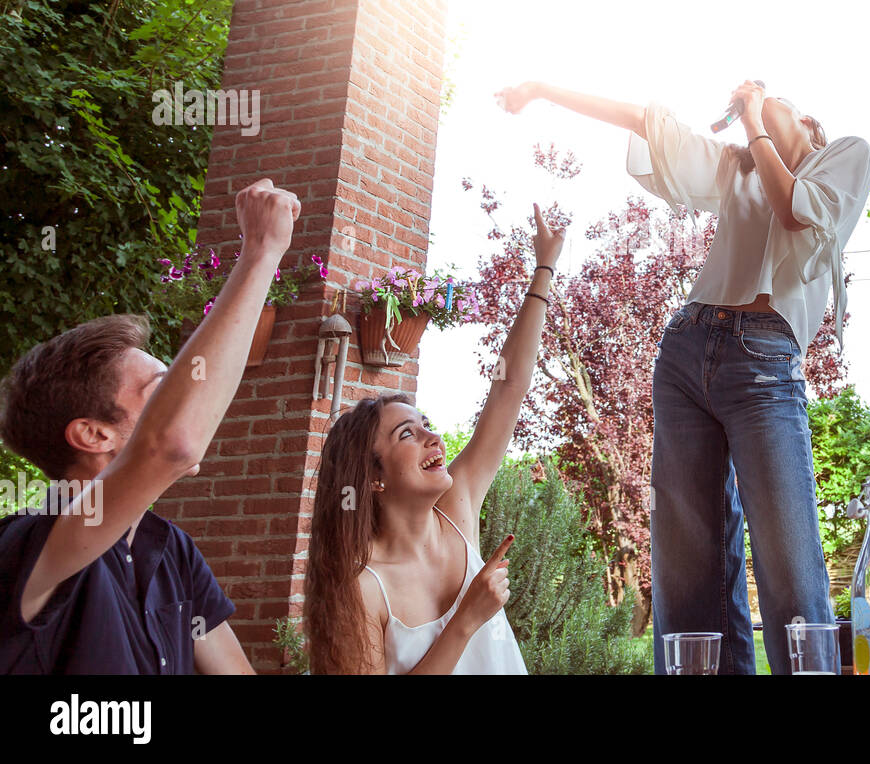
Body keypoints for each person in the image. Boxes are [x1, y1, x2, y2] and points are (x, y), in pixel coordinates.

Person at [495, 80, 870, 675]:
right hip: (686, 348)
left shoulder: (846, 156)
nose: (758, 97)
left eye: (772, 99)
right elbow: (649, 121)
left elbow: (797, 211)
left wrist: (752, 118)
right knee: (689, 557)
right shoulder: (738, 166)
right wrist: (544, 91)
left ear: (807, 121)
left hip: (766, 357)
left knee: (788, 558)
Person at [0, 178, 301, 673]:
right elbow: (172, 444)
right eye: (161, 390)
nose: (181, 401)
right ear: (94, 434)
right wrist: (262, 252)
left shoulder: (171, 552)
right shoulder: (31, 547)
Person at [305, 204, 564, 674]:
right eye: (408, 432)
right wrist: (465, 620)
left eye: (425, 422)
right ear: (373, 477)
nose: (432, 435)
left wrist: (544, 268)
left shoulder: (457, 510)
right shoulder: (363, 586)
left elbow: (509, 387)